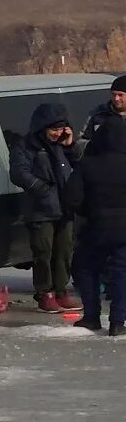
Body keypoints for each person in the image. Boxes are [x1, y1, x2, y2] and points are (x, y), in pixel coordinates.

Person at [11, 102, 82, 313]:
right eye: (53, 130)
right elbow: (18, 172)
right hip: (41, 208)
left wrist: (71, 145)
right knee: (44, 251)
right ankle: (45, 293)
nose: (57, 133)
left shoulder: (63, 144)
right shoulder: (26, 146)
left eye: (61, 129)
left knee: (64, 251)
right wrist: (40, 188)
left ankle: (61, 291)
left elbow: (79, 164)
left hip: (65, 206)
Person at [64, 116, 126, 334]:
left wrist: (87, 211)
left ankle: (91, 317)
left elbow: (72, 198)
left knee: (86, 268)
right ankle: (118, 322)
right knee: (122, 273)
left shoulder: (87, 164)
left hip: (96, 226)